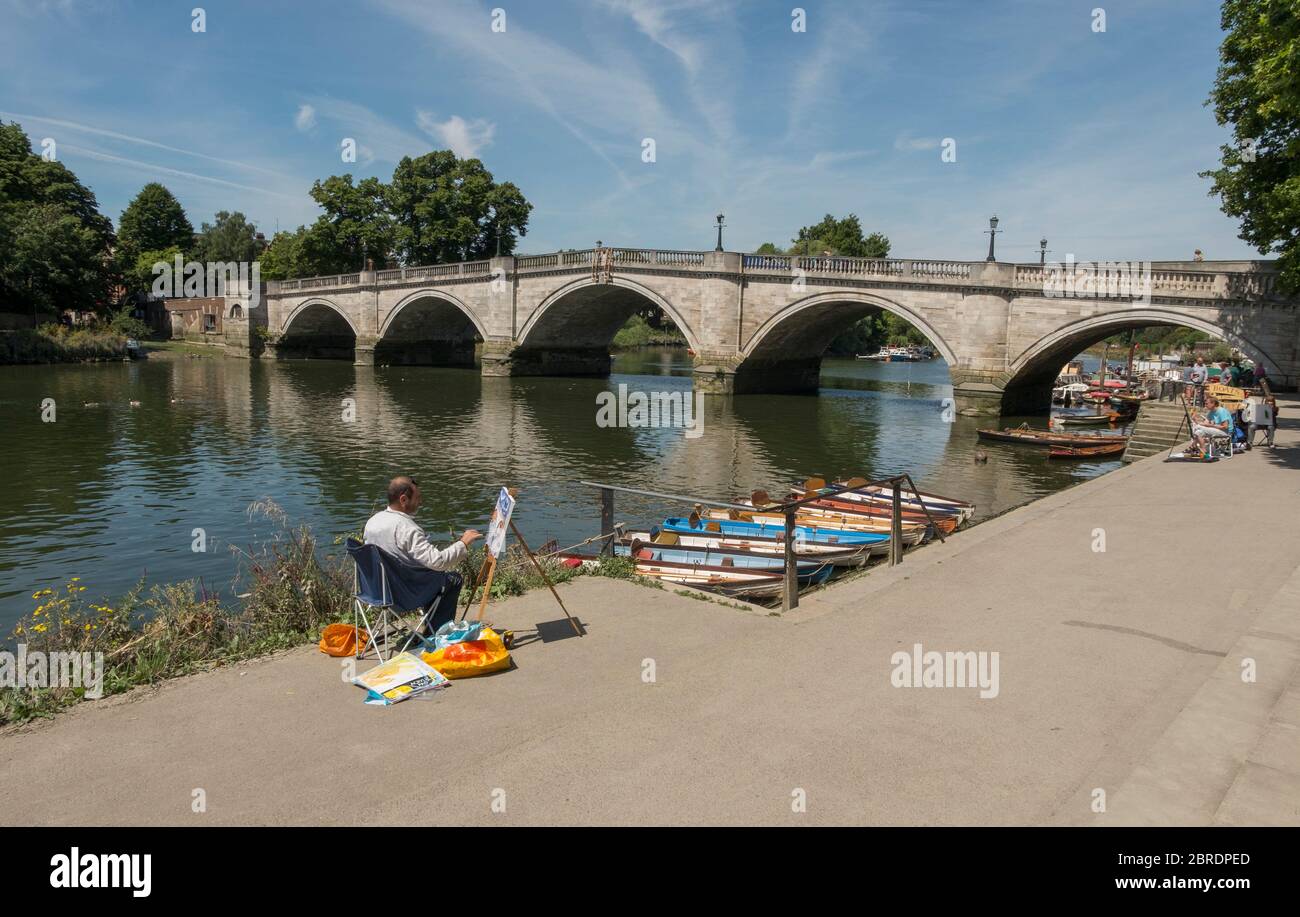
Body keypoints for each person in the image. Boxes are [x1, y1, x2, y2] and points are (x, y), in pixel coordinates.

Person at [364, 476, 482, 633]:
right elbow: (438, 562)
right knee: (452, 579)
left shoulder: (373, 521)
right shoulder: (407, 528)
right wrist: (463, 543)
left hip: (376, 592)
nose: (421, 502)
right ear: (403, 499)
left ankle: (431, 626)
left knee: (429, 575)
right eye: (418, 498)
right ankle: (438, 633)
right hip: (403, 596)